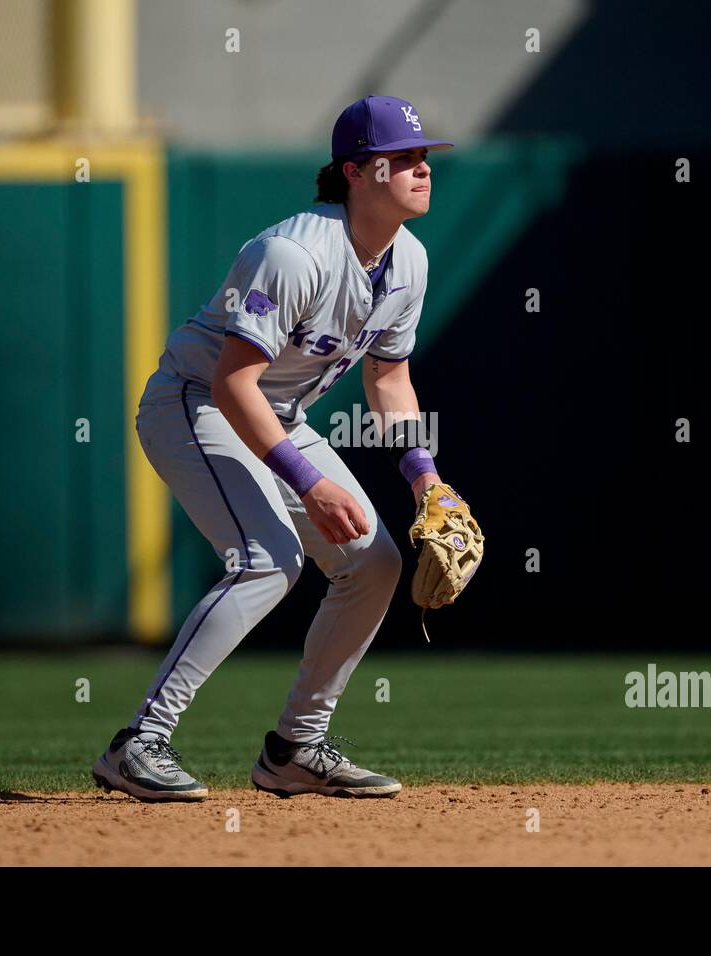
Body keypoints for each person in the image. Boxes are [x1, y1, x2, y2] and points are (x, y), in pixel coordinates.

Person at [91, 95, 453, 800]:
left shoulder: (409, 260)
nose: (421, 169)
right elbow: (233, 383)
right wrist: (308, 484)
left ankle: (295, 747)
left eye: (424, 157)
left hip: (278, 413)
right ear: (355, 171)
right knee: (267, 561)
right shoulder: (290, 254)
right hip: (195, 403)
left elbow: (390, 378)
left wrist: (425, 480)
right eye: (402, 158)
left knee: (374, 563)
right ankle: (139, 742)